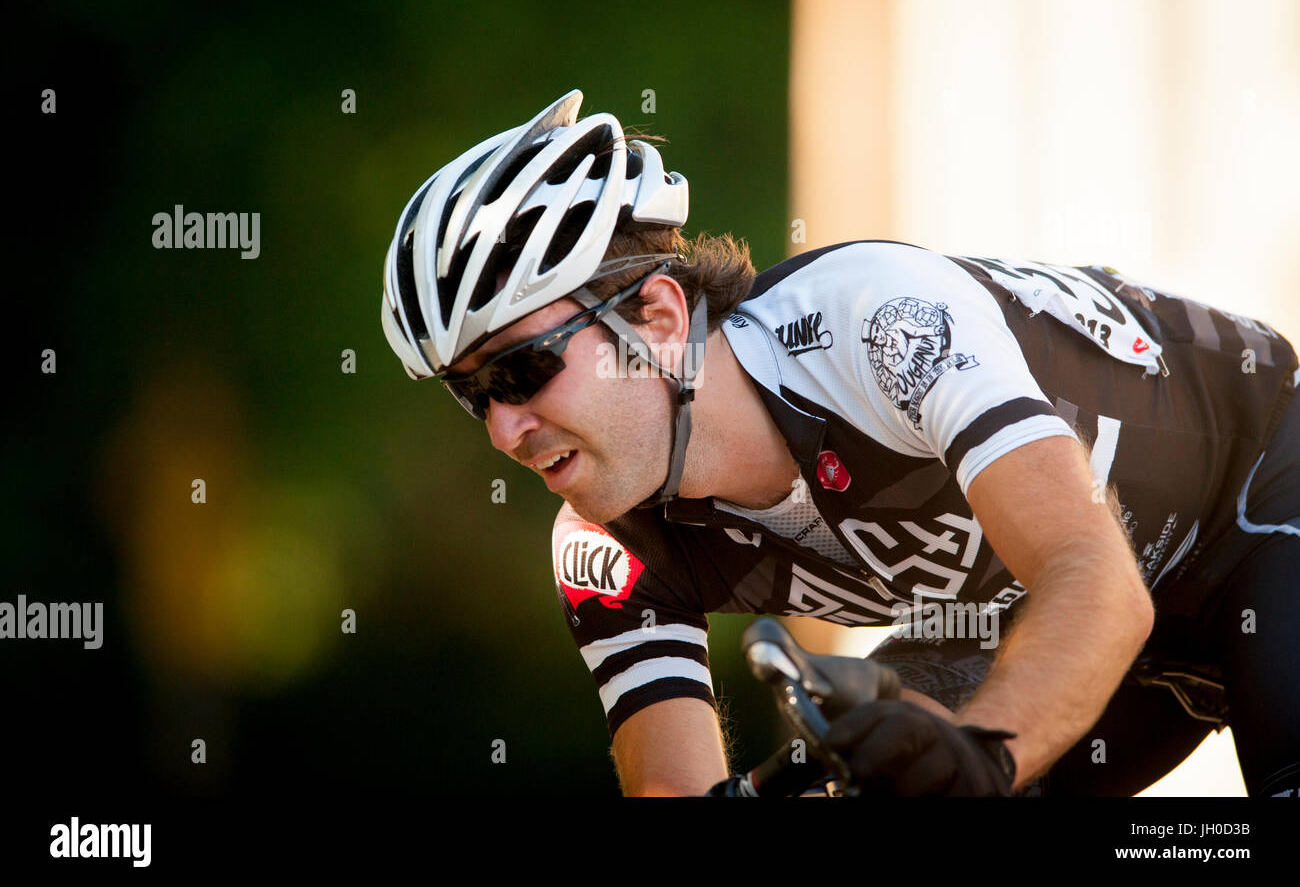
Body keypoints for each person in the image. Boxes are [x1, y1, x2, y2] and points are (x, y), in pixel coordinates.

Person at [381, 90, 1300, 797]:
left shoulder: (871, 323)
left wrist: (985, 760)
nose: (503, 428)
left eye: (522, 371)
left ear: (657, 318)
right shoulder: (601, 542)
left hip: (1258, 493)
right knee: (870, 769)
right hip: (1039, 623)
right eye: (473, 398)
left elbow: (1091, 578)